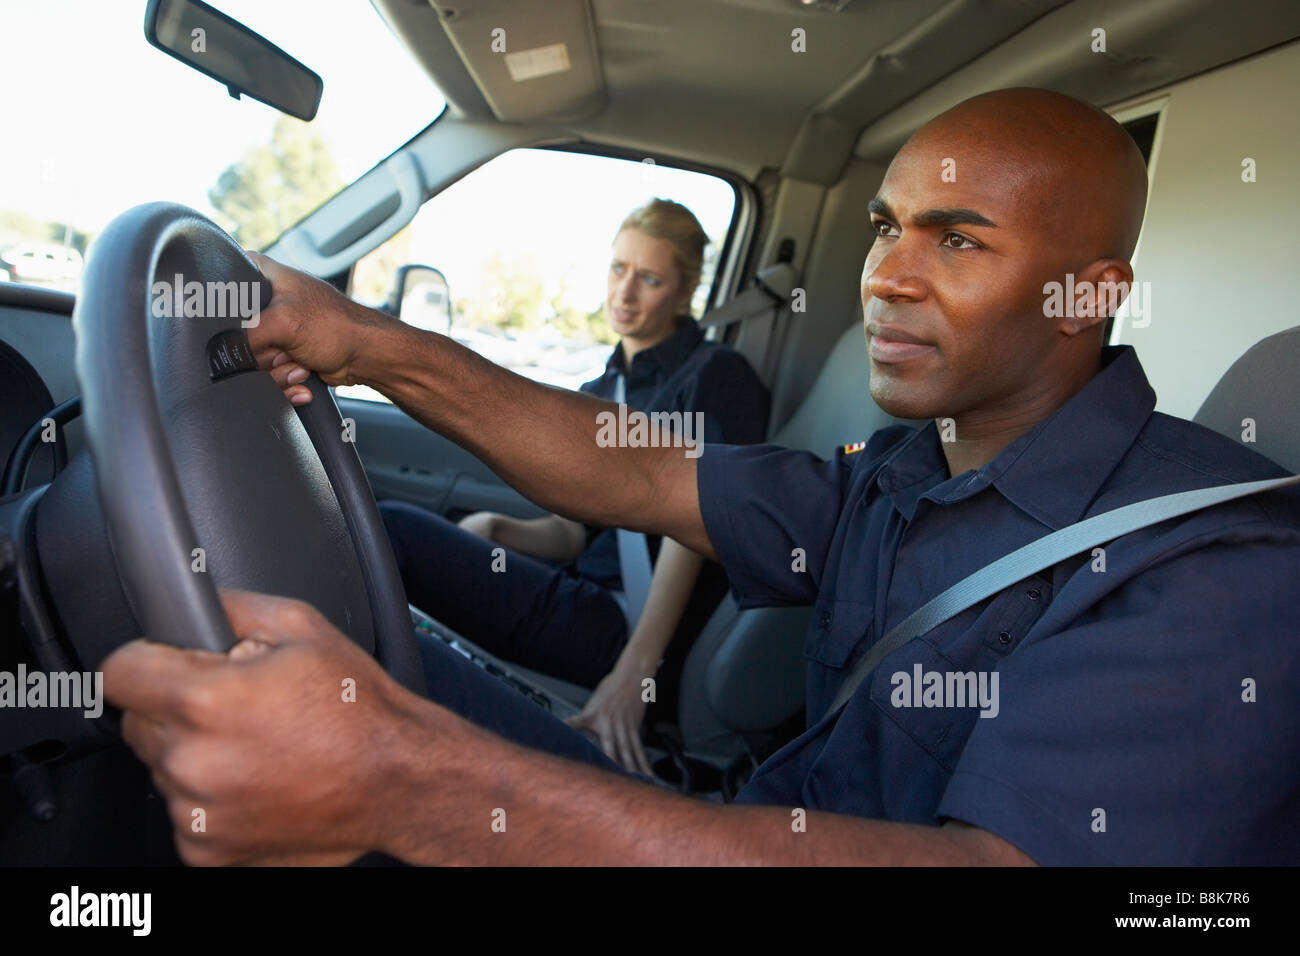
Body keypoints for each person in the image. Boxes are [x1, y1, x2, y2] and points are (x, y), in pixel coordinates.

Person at [102, 88, 1300, 866]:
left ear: (1086, 295)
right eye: (886, 226)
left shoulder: (1216, 570)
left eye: (958, 238)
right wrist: (373, 343)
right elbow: (643, 475)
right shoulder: (906, 469)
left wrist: (408, 777)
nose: (885, 274)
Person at [376, 199, 769, 773]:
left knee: (395, 530)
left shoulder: (716, 376)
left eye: (650, 278)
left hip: (629, 626)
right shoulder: (599, 386)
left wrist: (634, 676)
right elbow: (573, 533)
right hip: (584, 596)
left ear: (685, 293)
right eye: (618, 269)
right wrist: (500, 528)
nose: (626, 292)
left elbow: (700, 517)